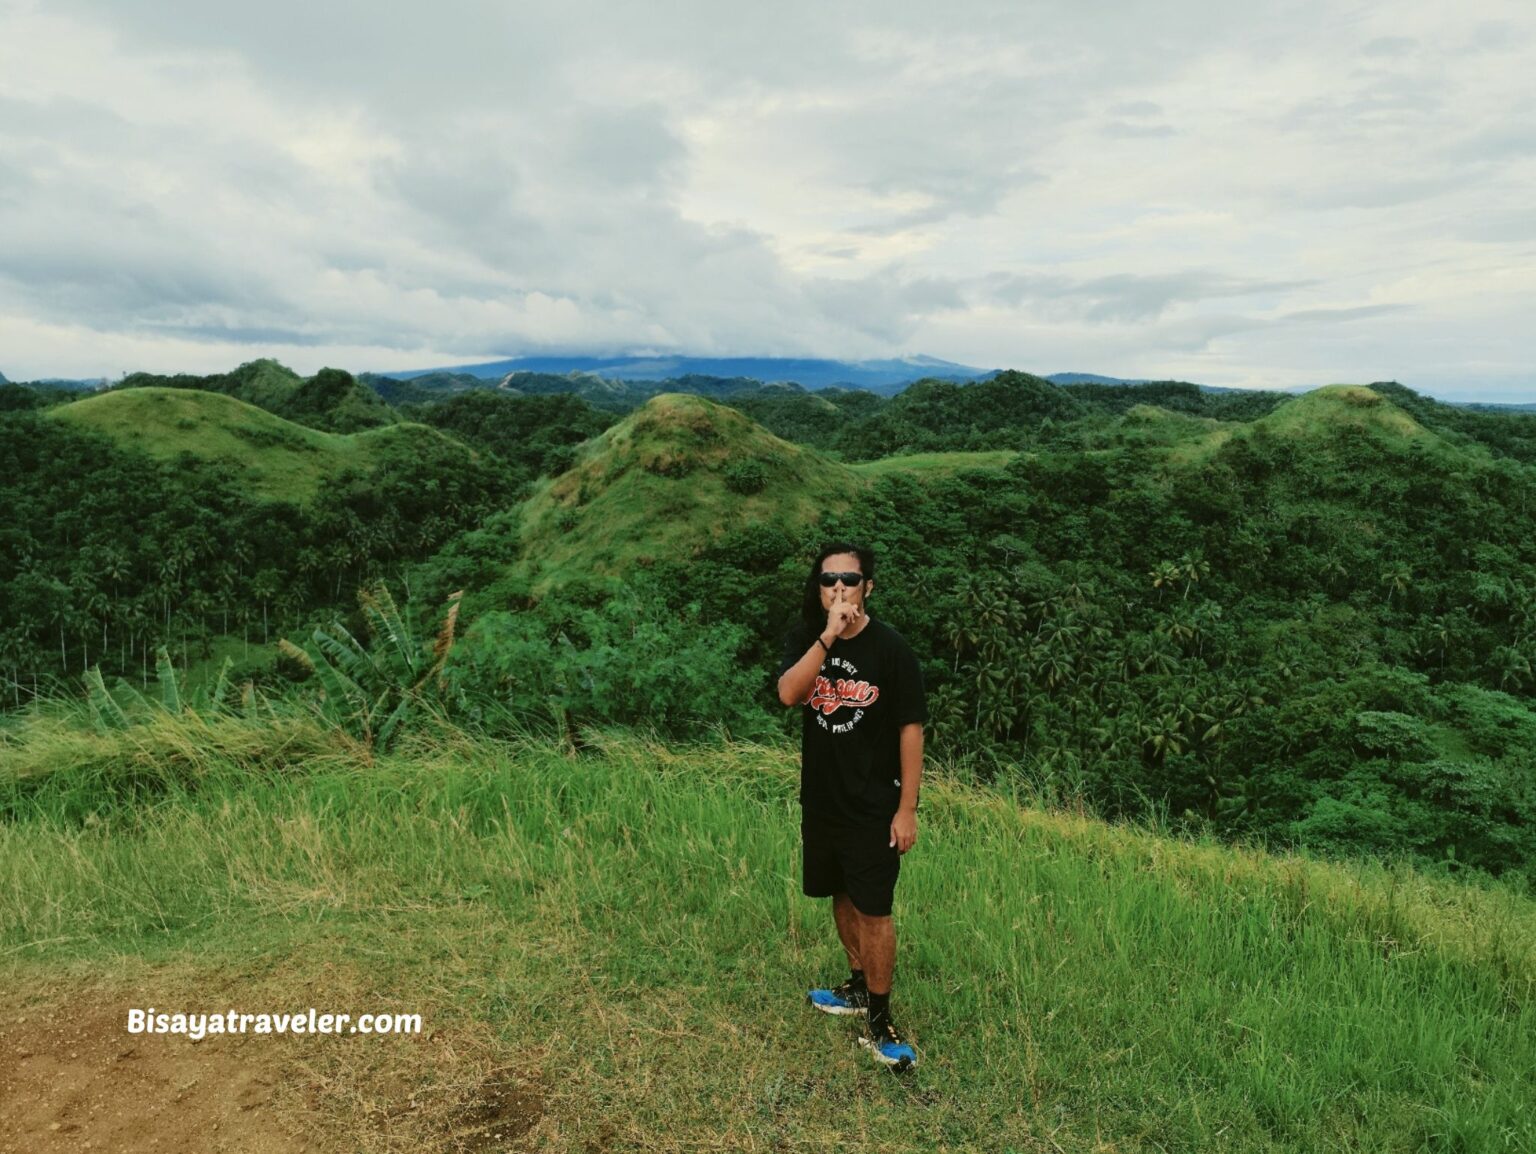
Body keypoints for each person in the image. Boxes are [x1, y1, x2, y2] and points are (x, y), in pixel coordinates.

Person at [776, 542, 926, 1071]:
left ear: (869, 588)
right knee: (839, 894)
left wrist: (906, 808)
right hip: (822, 801)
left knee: (875, 910)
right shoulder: (807, 638)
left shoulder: (891, 650)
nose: (838, 588)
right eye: (828, 580)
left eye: (850, 580)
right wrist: (829, 636)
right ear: (818, 589)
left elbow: (911, 729)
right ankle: (859, 986)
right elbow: (789, 694)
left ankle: (881, 1021)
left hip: (872, 805)